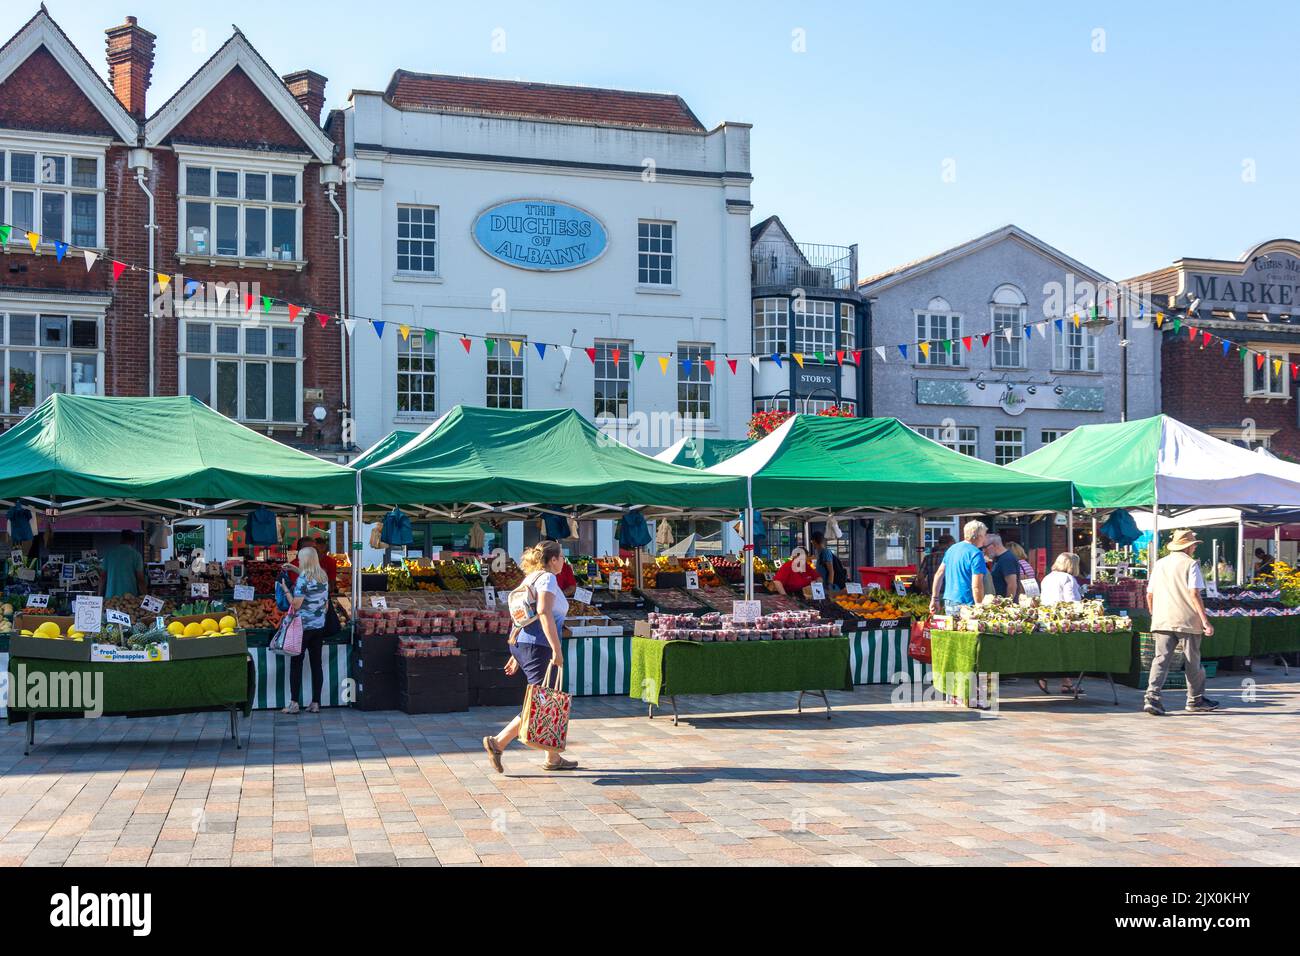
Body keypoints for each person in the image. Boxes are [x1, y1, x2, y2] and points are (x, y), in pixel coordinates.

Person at [483, 541, 577, 773]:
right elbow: (543, 612)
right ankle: (498, 742)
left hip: (525, 643)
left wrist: (518, 653)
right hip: (539, 646)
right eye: (562, 557)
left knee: (545, 697)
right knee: (541, 701)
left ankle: (553, 758)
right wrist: (556, 649)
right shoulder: (547, 579)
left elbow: (523, 616)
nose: (564, 562)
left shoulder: (531, 578)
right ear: (553, 559)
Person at [1144, 529, 1217, 717]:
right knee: (1193, 660)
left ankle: (1152, 696)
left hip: (1162, 619)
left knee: (1160, 659)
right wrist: (1205, 621)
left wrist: (1154, 613)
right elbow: (1194, 594)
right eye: (1193, 545)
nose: (1194, 548)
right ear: (1188, 546)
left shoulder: (1159, 564)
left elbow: (1149, 593)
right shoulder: (1191, 564)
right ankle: (1195, 699)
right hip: (1187, 619)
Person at [279, 546, 330, 715]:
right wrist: (294, 569)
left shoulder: (302, 579)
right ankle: (316, 703)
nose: (299, 561)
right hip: (319, 626)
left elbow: (295, 604)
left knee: (296, 663)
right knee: (317, 664)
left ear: (305, 560)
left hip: (303, 627)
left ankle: (294, 703)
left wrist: (285, 589)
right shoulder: (322, 576)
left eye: (300, 559)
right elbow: (310, 581)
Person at [1037, 552, 1083, 695]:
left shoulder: (1047, 577)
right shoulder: (1068, 578)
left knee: (1050, 649)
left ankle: (1054, 679)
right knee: (1066, 650)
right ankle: (1064, 682)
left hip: (1045, 618)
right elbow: (1071, 601)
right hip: (1062, 620)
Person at [930, 520, 989, 614]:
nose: (985, 538)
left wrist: (935, 598)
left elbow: (939, 574)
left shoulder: (951, 549)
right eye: (985, 535)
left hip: (949, 601)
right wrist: (979, 606)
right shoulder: (976, 553)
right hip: (967, 604)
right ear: (979, 536)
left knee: (951, 628)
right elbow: (977, 586)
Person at [100, 529, 146, 599]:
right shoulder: (136, 555)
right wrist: (146, 596)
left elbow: (102, 577)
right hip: (130, 598)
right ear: (133, 541)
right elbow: (140, 579)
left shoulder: (109, 554)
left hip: (111, 598)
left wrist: (99, 596)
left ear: (121, 539)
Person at [983, 533, 1020, 599]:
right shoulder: (997, 558)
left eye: (985, 547)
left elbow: (1012, 585)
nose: (984, 551)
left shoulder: (1007, 559)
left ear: (993, 545)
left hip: (1006, 606)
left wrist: (1007, 603)